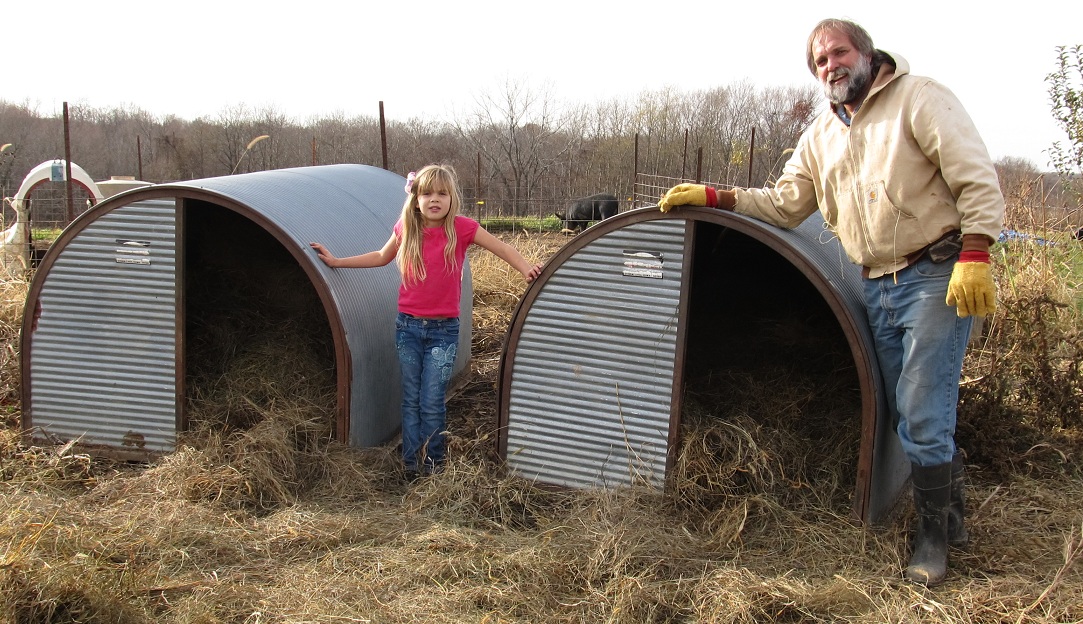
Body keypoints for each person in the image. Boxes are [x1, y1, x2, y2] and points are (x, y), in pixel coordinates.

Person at [658, 18, 1004, 586]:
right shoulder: (822, 135)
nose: (830, 66)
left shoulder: (918, 100)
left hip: (934, 274)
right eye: (819, 62)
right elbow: (787, 205)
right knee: (905, 407)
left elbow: (976, 179)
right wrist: (718, 197)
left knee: (919, 407)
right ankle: (954, 514)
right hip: (875, 283)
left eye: (838, 53)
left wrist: (976, 252)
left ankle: (934, 541)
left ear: (867, 54)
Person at [311, 164, 542, 480]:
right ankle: (410, 467)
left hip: (443, 333)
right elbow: (381, 257)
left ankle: (434, 468)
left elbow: (501, 247)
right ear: (416, 199)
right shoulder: (406, 228)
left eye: (442, 193)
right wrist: (337, 261)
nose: (435, 199)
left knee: (432, 401)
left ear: (452, 198)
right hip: (408, 328)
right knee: (411, 399)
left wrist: (525, 268)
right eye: (427, 193)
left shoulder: (461, 228)